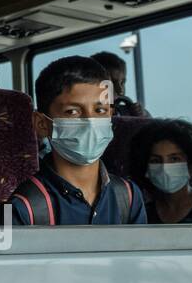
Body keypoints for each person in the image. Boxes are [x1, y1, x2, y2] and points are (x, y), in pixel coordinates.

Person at [9, 56, 146, 225]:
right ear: (42, 124)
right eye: (72, 112)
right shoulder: (23, 206)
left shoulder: (128, 196)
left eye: (100, 110)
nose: (90, 122)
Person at [127, 118, 192, 224]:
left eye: (174, 159)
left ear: (191, 164)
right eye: (156, 160)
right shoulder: (142, 210)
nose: (165, 168)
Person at [90, 49, 147, 117]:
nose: (120, 90)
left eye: (122, 83)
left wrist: (142, 116)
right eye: (111, 83)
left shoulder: (127, 112)